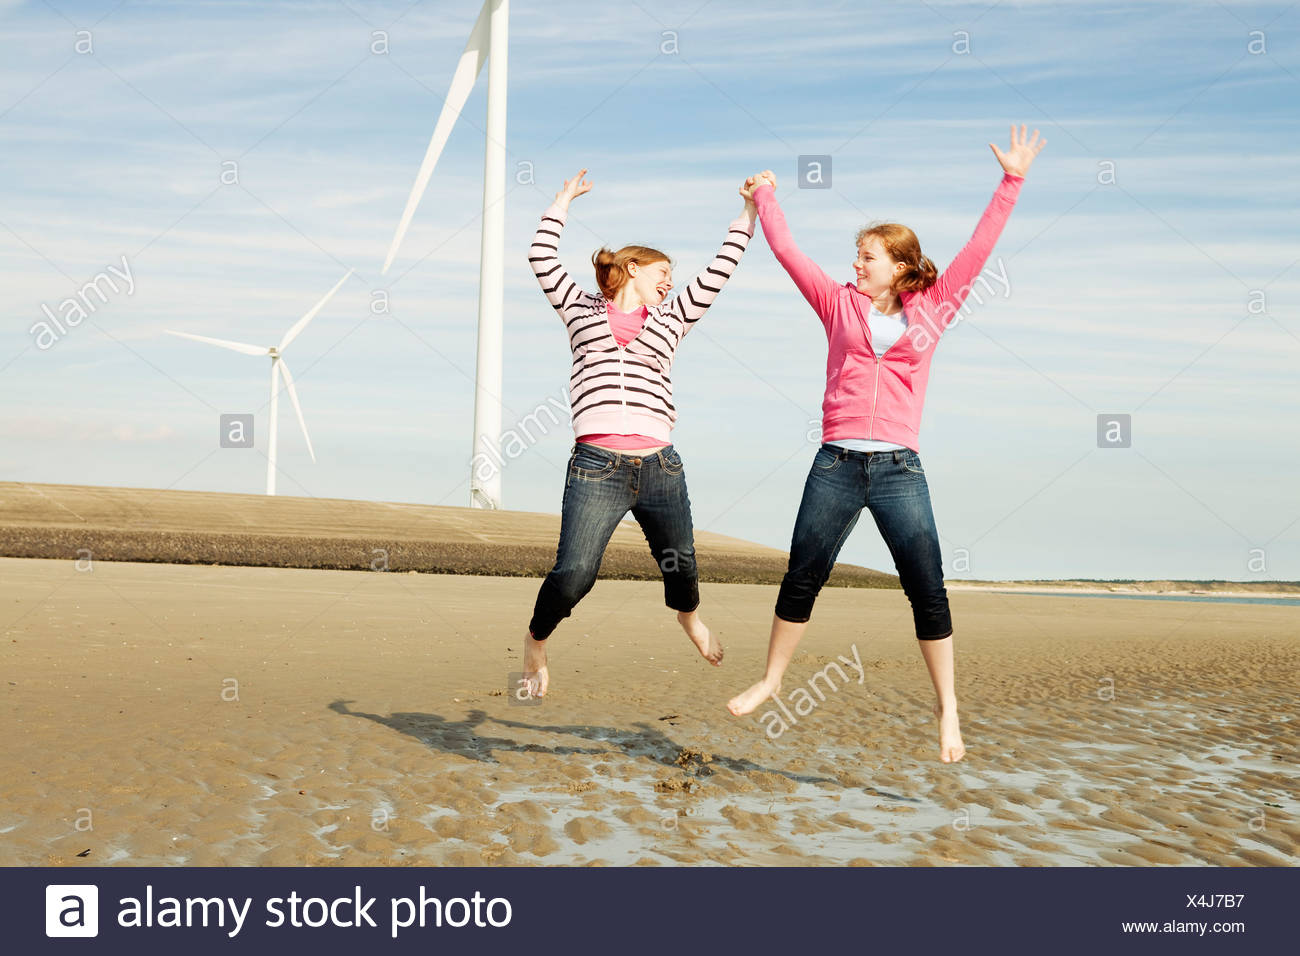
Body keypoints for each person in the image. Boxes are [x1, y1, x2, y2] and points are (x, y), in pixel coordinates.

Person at [727, 126, 1047, 763]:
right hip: (837, 462)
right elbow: (789, 251)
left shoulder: (935, 306)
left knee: (926, 585)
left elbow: (980, 247)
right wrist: (765, 196)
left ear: (899, 264)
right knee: (803, 575)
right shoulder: (836, 304)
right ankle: (771, 680)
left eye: (867, 255)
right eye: (856, 255)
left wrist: (1012, 180)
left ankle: (947, 708)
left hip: (900, 467)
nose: (857, 264)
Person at [521, 168, 758, 698]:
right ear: (631, 268)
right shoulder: (579, 308)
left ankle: (688, 617)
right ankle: (536, 642)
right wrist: (561, 202)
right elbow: (541, 256)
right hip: (596, 466)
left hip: (660, 466)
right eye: (663, 271)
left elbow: (720, 272)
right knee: (576, 571)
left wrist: (747, 215)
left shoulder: (672, 318)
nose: (671, 280)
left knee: (682, 561)